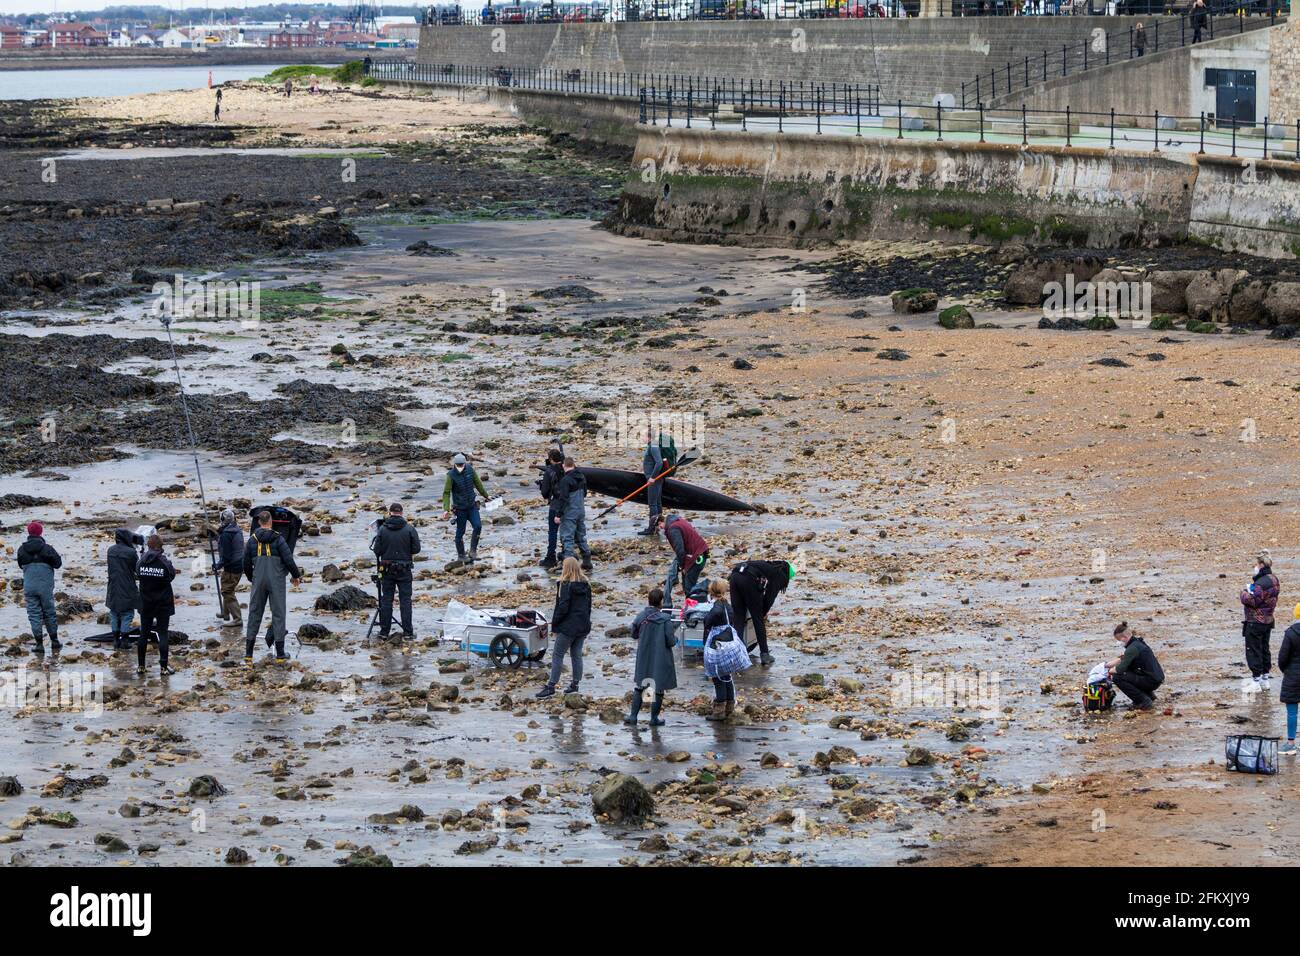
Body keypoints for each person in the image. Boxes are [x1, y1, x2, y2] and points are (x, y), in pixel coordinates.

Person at [243, 509, 302, 663]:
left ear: (258, 522)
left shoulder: (252, 540)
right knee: (278, 614)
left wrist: (252, 579)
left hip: (258, 581)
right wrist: (296, 576)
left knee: (254, 614)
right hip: (276, 580)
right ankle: (281, 655)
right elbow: (288, 560)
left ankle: (248, 654)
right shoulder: (279, 539)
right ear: (270, 522)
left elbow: (246, 564)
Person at [536, 557, 592, 698]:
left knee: (557, 655)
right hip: (583, 625)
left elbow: (562, 608)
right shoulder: (586, 584)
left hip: (568, 627)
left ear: (566, 568)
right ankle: (575, 685)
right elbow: (588, 607)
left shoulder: (565, 585)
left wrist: (555, 625)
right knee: (576, 655)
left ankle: (551, 686)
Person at [624, 587, 677, 726]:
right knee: (658, 687)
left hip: (644, 655)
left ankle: (633, 716)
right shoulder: (666, 619)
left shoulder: (641, 616)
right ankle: (653, 719)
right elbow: (670, 641)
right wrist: (676, 639)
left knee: (643, 684)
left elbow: (634, 634)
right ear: (661, 602)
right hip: (661, 657)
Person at [728, 559, 794, 666]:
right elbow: (769, 597)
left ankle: (737, 654)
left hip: (735, 575)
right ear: (786, 573)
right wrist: (762, 612)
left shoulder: (766, 565)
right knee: (757, 618)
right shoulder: (779, 575)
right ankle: (765, 654)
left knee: (738, 616)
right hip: (749, 579)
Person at [373, 502, 420, 642]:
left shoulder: (382, 529)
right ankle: (408, 632)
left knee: (386, 599)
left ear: (390, 513)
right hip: (404, 570)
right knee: (405, 601)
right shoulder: (410, 529)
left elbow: (377, 551)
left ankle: (384, 632)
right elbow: (416, 549)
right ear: (402, 513)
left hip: (386, 570)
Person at [18, 520, 61, 655]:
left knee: (34, 614)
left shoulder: (22, 549)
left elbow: (20, 564)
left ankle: (39, 644)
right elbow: (58, 564)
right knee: (49, 612)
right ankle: (54, 641)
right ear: (40, 532)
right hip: (45, 587)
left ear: (29, 533)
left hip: (30, 586)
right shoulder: (47, 548)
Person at [136, 534, 177, 676]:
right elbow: (171, 575)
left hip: (146, 601)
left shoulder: (141, 561)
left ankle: (141, 666)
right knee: (163, 633)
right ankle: (164, 667)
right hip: (162, 602)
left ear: (149, 546)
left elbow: (138, 574)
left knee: (144, 633)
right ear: (159, 547)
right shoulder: (163, 561)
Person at [1241, 549, 1279, 689]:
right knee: (1264, 648)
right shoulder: (1274, 579)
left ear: (1261, 564)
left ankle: (1256, 681)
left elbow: (1253, 601)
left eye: (1256, 564)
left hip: (1255, 621)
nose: (1255, 566)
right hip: (1268, 620)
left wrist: (1243, 594)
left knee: (1254, 650)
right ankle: (1265, 678)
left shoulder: (1261, 583)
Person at [702, 578, 739, 720]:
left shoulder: (717, 607)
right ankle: (730, 706)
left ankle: (719, 711)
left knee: (718, 677)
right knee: (726, 675)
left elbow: (708, 621)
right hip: (728, 641)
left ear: (711, 591)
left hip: (717, 644)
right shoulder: (727, 605)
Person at [442, 452, 488, 565]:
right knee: (460, 532)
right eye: (458, 465)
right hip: (460, 509)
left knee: (478, 526)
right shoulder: (450, 475)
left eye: (462, 465)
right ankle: (461, 555)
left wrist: (487, 496)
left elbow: (478, 484)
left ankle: (473, 551)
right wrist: (446, 509)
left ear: (465, 463)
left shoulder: (470, 470)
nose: (460, 467)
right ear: (455, 464)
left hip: (472, 506)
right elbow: (446, 493)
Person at [1106, 621, 1164, 710]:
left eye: (1118, 640)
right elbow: (1125, 659)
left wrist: (1108, 671)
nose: (1118, 643)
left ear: (1124, 637)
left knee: (1117, 677)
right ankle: (1149, 696)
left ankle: (1143, 700)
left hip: (1151, 680)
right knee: (1129, 672)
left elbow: (1120, 669)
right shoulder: (1138, 643)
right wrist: (1107, 665)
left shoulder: (1132, 649)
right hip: (1156, 677)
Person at [658, 513, 708, 607]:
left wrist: (683, 566)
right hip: (699, 552)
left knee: (689, 585)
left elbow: (679, 550)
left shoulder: (673, 529)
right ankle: (689, 605)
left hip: (697, 556)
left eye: (659, 526)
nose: (660, 528)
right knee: (686, 582)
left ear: (661, 522)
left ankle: (693, 610)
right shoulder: (677, 520)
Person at [554, 456, 592, 571]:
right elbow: (584, 493)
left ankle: (569, 565)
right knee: (581, 536)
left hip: (570, 512)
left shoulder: (565, 480)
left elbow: (564, 498)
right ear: (574, 465)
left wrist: (558, 514)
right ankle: (587, 561)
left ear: (563, 466)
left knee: (567, 537)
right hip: (580, 510)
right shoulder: (581, 477)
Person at [105, 528, 141, 651]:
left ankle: (115, 640)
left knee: (114, 613)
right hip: (127, 586)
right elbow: (138, 569)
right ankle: (125, 640)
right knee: (127, 613)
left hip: (113, 586)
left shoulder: (110, 550)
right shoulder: (131, 552)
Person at [639, 428, 673, 536]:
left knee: (652, 504)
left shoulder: (653, 447)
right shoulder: (652, 445)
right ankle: (657, 526)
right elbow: (653, 462)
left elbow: (659, 463)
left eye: (643, 436)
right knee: (657, 503)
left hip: (655, 480)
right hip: (657, 479)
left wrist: (652, 477)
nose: (642, 438)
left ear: (649, 437)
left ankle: (651, 528)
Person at [214, 508, 244, 630]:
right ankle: (225, 613)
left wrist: (218, 566)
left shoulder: (227, 534)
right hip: (238, 565)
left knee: (227, 591)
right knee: (226, 587)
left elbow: (226, 555)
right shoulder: (235, 530)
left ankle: (237, 619)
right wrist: (217, 535)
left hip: (232, 567)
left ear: (223, 520)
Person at [1277, 604, 1300, 755]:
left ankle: (1291, 743)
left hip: (1293, 676)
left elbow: (1282, 658)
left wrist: (1286, 670)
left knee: (1292, 712)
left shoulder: (1291, 633)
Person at [538, 448, 565, 569]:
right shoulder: (567, 468)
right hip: (569, 505)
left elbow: (545, 492)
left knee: (553, 532)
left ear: (550, 459)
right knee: (568, 531)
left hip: (555, 505)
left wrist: (542, 487)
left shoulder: (549, 471)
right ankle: (567, 554)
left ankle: (550, 558)